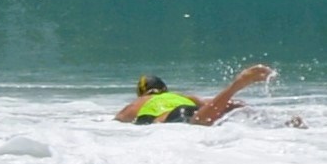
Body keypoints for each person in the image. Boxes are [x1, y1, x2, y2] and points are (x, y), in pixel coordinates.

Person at [117, 64, 275, 125]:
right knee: (207, 116)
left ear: (141, 93)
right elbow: (215, 104)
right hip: (193, 109)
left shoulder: (137, 103)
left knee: (198, 122)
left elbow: (120, 121)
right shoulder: (184, 97)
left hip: (173, 116)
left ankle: (236, 85)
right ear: (165, 89)